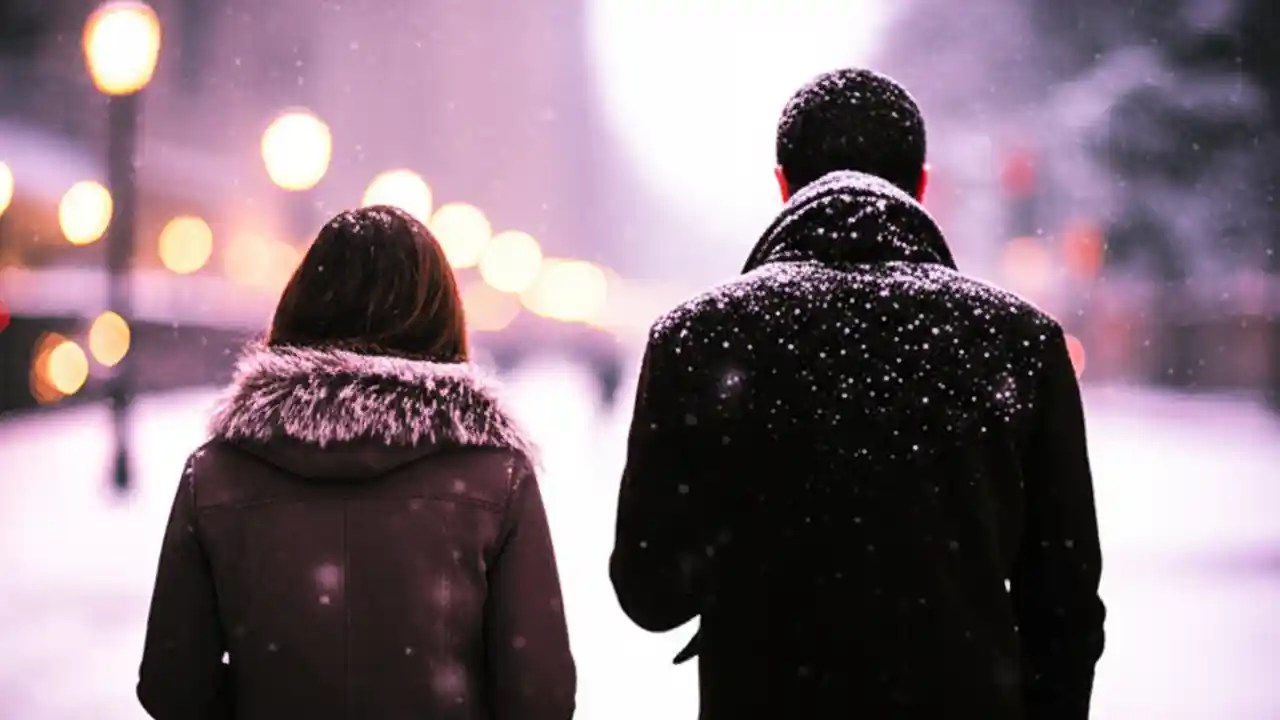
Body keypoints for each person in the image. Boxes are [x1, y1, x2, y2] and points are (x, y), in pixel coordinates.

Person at [610, 68, 1104, 719]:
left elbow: (652, 592)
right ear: (922, 186)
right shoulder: (1019, 343)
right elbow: (1064, 607)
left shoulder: (699, 339)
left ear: (784, 186)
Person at [138, 206, 576, 720]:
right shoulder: (494, 478)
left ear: (300, 306)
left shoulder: (216, 476)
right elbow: (539, 696)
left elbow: (173, 685)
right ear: (441, 317)